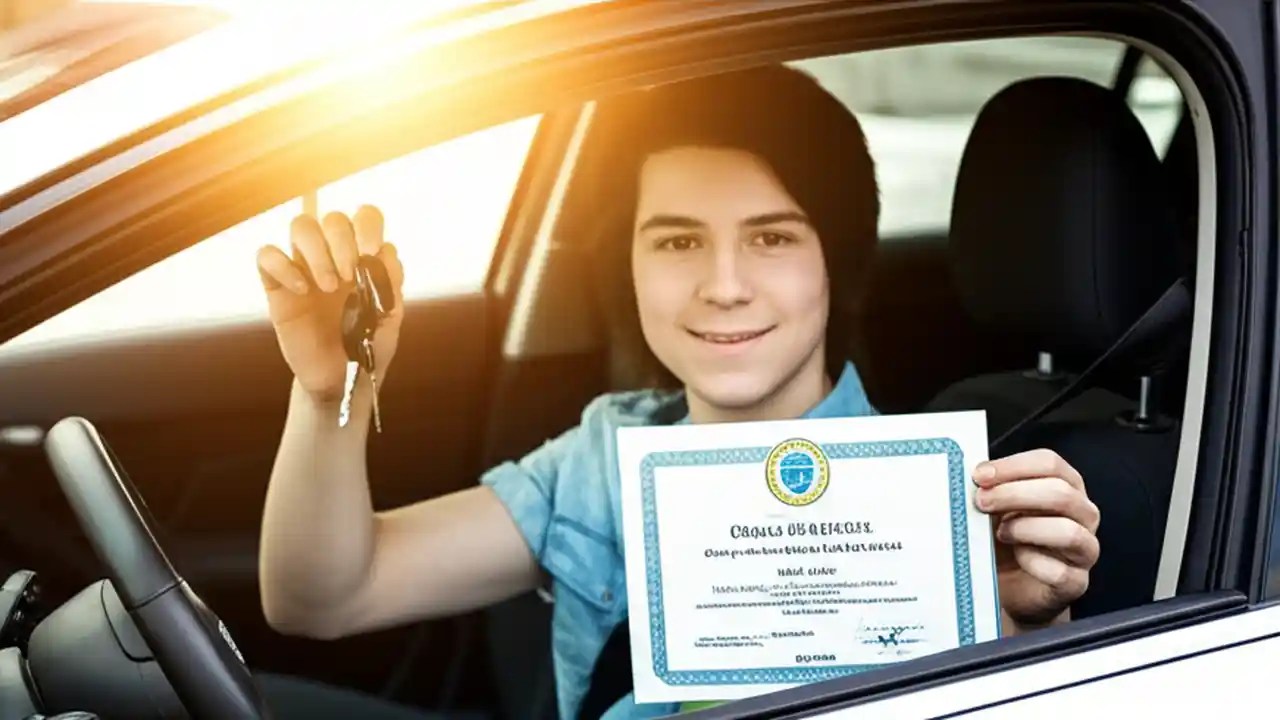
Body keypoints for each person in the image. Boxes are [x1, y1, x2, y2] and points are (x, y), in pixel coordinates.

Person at [254, 64, 1101, 720]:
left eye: (771, 237)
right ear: (625, 266)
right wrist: (334, 387)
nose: (723, 285)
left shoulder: (956, 507)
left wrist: (1032, 633)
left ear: (836, 265)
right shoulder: (596, 462)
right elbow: (322, 597)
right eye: (677, 242)